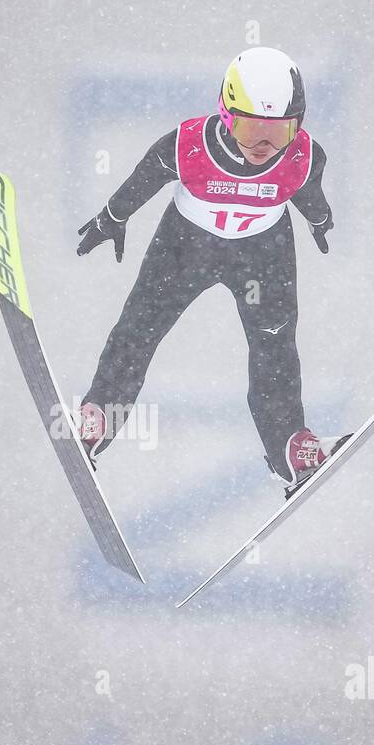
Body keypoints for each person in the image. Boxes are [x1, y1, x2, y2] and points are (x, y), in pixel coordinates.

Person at [75, 46, 341, 497]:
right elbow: (143, 179)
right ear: (225, 113)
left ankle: (289, 450)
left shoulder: (305, 156)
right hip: (187, 248)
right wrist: (111, 217)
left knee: (273, 346)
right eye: (251, 130)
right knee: (139, 329)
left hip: (262, 254)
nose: (264, 148)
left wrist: (319, 219)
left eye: (279, 134)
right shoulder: (188, 144)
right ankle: (98, 418)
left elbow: (308, 193)